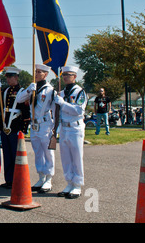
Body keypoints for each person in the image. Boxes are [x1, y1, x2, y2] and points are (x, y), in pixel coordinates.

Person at [15, 64, 55, 192]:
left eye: (39, 72)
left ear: (46, 74)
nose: (36, 74)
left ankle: (49, 179)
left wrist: (55, 128)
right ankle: (41, 177)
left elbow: (54, 109)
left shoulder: (50, 90)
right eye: (36, 71)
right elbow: (19, 99)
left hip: (45, 124)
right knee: (38, 152)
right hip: (34, 124)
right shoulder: (33, 87)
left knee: (48, 152)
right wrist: (28, 90)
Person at [54, 66, 87, 199]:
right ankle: (69, 183)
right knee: (66, 158)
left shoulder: (80, 92)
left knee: (76, 157)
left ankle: (77, 185)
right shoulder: (61, 93)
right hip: (64, 127)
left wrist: (63, 104)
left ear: (75, 77)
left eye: (69, 74)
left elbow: (78, 111)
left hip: (75, 128)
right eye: (64, 75)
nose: (66, 77)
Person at [0, 67, 31, 189]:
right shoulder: (5, 90)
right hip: (5, 127)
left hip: (15, 126)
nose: (8, 79)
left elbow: (26, 113)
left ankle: (16, 180)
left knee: (15, 156)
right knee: (7, 155)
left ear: (16, 77)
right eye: (7, 77)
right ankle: (8, 179)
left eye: (10, 77)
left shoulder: (22, 91)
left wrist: (22, 130)